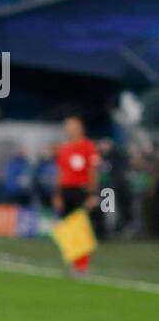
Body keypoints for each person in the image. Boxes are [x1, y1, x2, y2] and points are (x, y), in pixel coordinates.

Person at [53, 115, 100, 274]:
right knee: (69, 228)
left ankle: (82, 265)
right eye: (67, 126)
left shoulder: (88, 147)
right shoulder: (64, 149)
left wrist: (93, 193)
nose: (69, 129)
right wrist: (57, 195)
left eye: (72, 126)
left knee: (81, 227)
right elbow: (60, 172)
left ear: (80, 127)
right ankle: (74, 262)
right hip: (66, 191)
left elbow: (93, 171)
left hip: (82, 190)